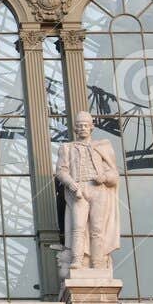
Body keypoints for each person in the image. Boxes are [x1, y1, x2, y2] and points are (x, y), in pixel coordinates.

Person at [54, 111, 121, 275]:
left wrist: (104, 177)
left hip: (98, 191)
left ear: (91, 127)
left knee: (97, 229)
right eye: (79, 126)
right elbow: (61, 171)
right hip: (79, 191)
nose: (82, 128)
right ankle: (77, 259)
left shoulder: (102, 147)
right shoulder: (67, 148)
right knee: (78, 228)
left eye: (85, 125)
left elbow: (114, 175)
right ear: (75, 129)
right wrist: (71, 185)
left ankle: (97, 263)